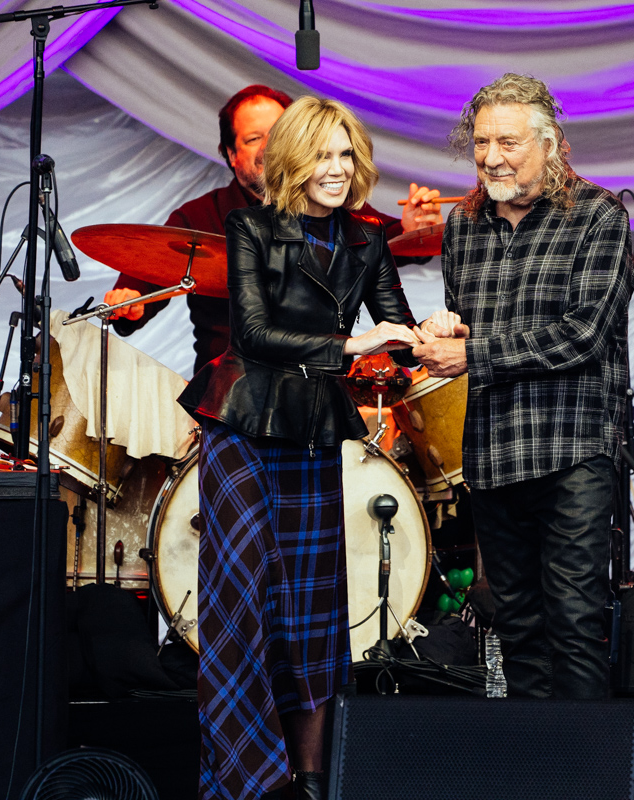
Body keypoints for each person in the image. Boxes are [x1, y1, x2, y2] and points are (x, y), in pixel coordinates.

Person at [177, 97, 422, 800]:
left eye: (347, 155)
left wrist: (419, 345)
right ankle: (251, 779)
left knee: (312, 616)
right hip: (244, 425)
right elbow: (253, 335)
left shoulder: (367, 239)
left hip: (315, 433)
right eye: (322, 154)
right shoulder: (250, 227)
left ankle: (311, 780)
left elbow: (394, 335)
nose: (338, 169)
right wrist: (351, 344)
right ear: (290, 159)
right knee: (241, 603)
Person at [412, 74, 634, 699]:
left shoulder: (598, 216)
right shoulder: (464, 223)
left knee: (573, 624)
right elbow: (469, 324)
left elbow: (584, 335)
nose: (490, 157)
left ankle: (591, 777)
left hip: (573, 452)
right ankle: (539, 770)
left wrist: (472, 350)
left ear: (552, 143)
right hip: (492, 455)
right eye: (481, 142)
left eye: (507, 142)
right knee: (516, 631)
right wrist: (447, 327)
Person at [104, 84, 443, 376]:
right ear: (230, 153)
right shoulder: (219, 220)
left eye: (279, 132)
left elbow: (389, 268)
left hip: (323, 389)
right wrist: (130, 301)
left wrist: (432, 331)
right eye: (254, 138)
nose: (270, 146)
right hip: (233, 387)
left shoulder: (351, 219)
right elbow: (147, 277)